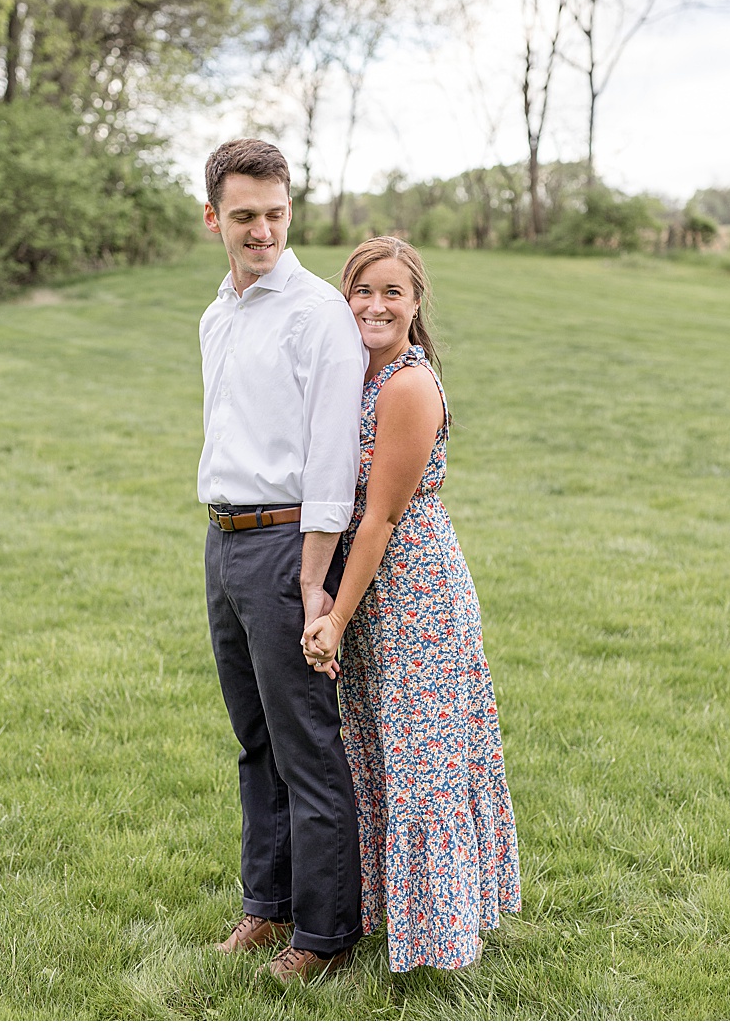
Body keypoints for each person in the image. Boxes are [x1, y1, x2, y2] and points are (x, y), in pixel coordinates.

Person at [302, 236, 521, 971]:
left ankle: (441, 941)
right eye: (362, 290)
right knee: (380, 755)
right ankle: (398, 917)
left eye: (392, 292)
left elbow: (381, 519)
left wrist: (334, 613)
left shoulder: (407, 386)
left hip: (414, 589)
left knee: (423, 763)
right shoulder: (358, 375)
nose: (375, 305)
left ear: (415, 302)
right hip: (374, 587)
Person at [197, 138, 367, 982]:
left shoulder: (316, 314)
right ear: (213, 218)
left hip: (287, 544)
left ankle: (325, 934)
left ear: (288, 210)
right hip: (223, 540)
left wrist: (311, 577)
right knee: (253, 739)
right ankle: (265, 909)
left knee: (305, 743)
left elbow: (332, 456)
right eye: (243, 216)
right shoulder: (217, 314)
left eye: (273, 214)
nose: (261, 231)